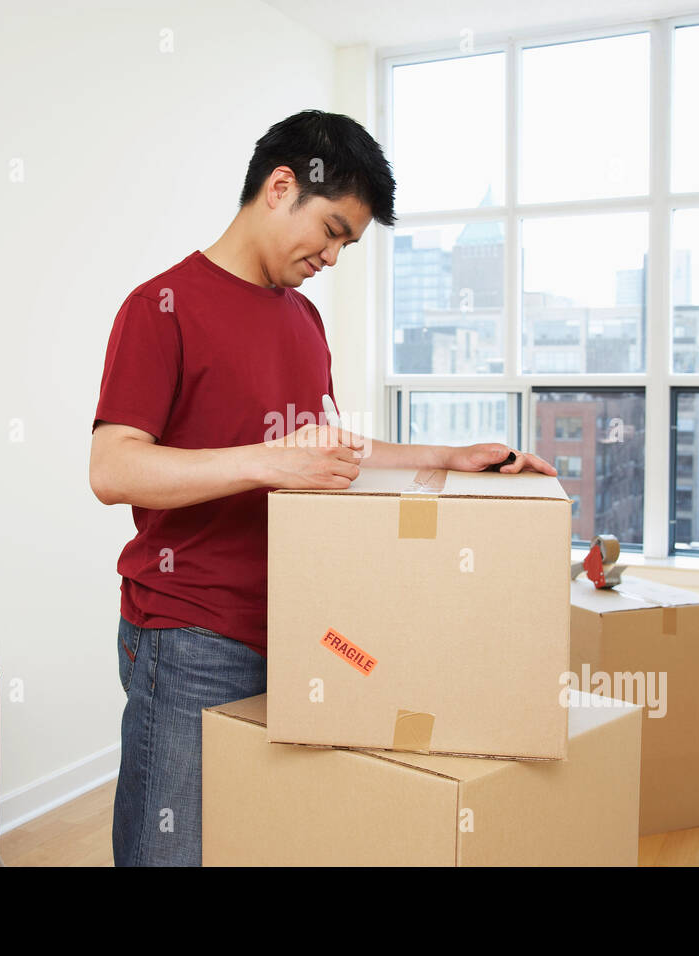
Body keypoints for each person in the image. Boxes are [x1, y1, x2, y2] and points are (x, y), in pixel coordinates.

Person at [88, 109, 556, 866]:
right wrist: (266, 462)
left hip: (307, 627)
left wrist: (447, 455)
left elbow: (327, 453)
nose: (335, 257)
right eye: (333, 230)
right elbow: (112, 468)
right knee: (169, 852)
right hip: (191, 635)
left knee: (271, 842)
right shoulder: (161, 307)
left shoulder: (302, 317)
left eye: (349, 244)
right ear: (281, 187)